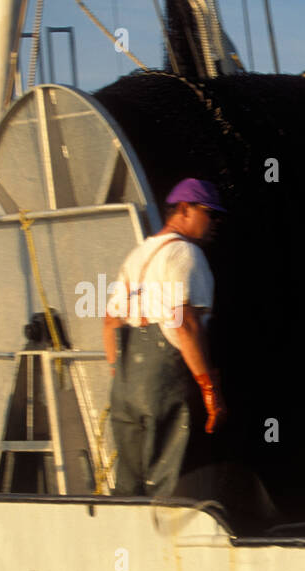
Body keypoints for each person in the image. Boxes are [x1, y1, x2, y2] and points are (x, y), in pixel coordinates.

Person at [103, 178, 228, 497]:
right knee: (170, 488)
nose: (216, 222)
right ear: (184, 210)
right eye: (211, 213)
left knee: (129, 488)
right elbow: (183, 324)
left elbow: (110, 322)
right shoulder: (186, 253)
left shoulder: (137, 255)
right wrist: (208, 388)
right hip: (166, 383)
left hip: (126, 388)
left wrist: (122, 376)